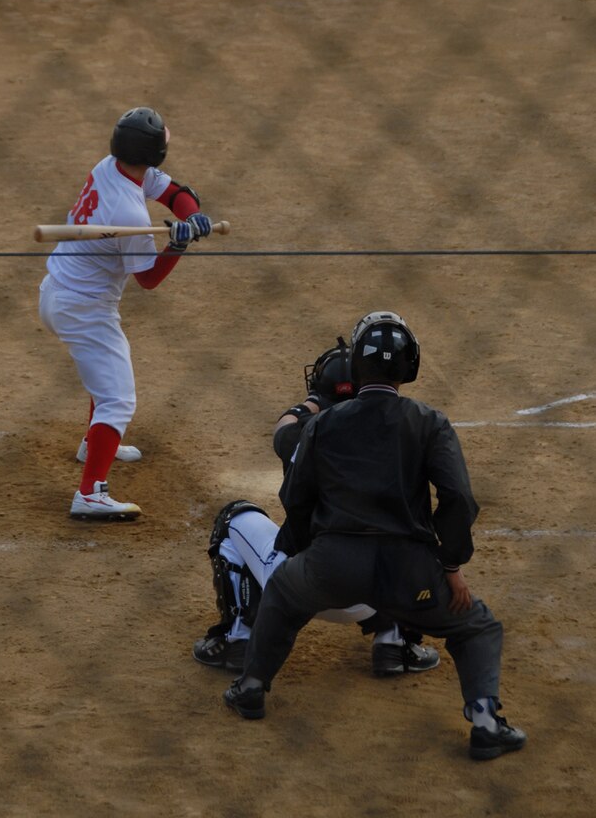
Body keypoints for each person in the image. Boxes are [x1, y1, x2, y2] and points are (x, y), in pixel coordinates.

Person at [222, 311, 527, 762]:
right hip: (411, 573)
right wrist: (451, 566)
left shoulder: (325, 423)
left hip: (334, 563)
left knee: (284, 594)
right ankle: (484, 724)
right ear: (411, 366)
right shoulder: (429, 421)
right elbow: (459, 499)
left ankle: (250, 688)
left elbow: (295, 495)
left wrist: (304, 551)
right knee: (476, 626)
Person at [193, 338, 440, 677]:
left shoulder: (304, 432)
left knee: (232, 518)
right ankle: (396, 644)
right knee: (408, 529)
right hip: (377, 591)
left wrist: (315, 403)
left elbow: (283, 431)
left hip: (305, 582)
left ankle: (240, 640)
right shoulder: (407, 432)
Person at [39, 107, 213, 519]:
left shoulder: (112, 166)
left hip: (60, 292)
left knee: (106, 377)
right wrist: (178, 245)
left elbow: (175, 192)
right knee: (118, 398)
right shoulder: (128, 214)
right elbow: (148, 280)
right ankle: (91, 493)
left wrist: (192, 217)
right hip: (83, 308)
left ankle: (94, 446)